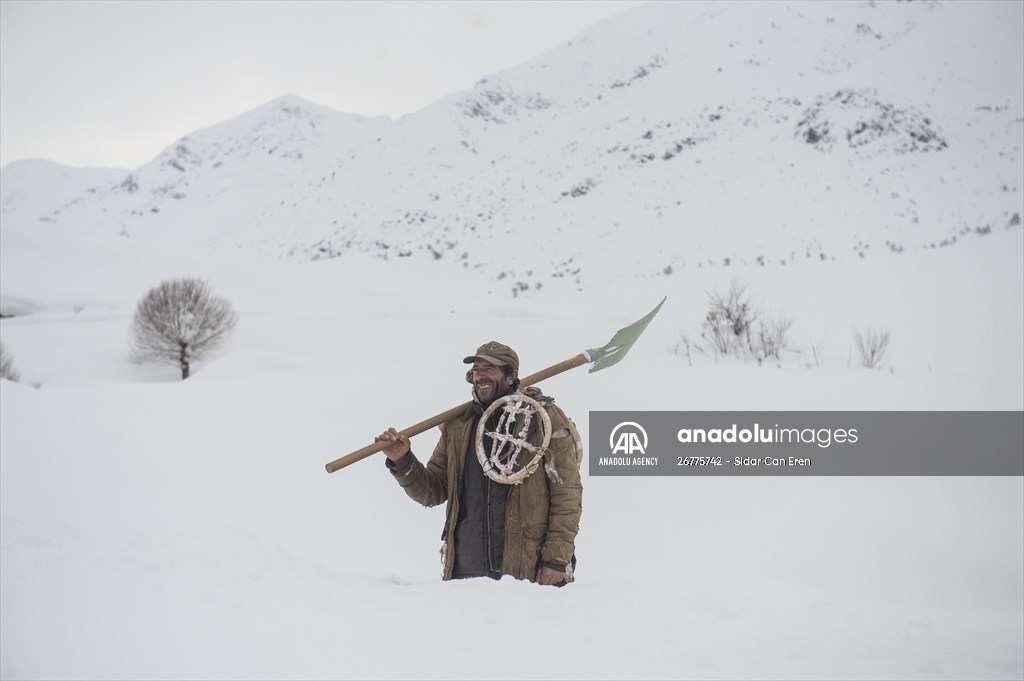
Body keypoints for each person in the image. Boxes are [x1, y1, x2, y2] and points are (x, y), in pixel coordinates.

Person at [375, 341, 583, 586]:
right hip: (466, 570)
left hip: (525, 570)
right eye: (477, 369)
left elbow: (567, 495)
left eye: (490, 368)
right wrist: (403, 461)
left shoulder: (544, 419)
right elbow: (433, 491)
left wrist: (556, 560)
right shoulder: (459, 425)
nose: (481, 375)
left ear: (511, 376)